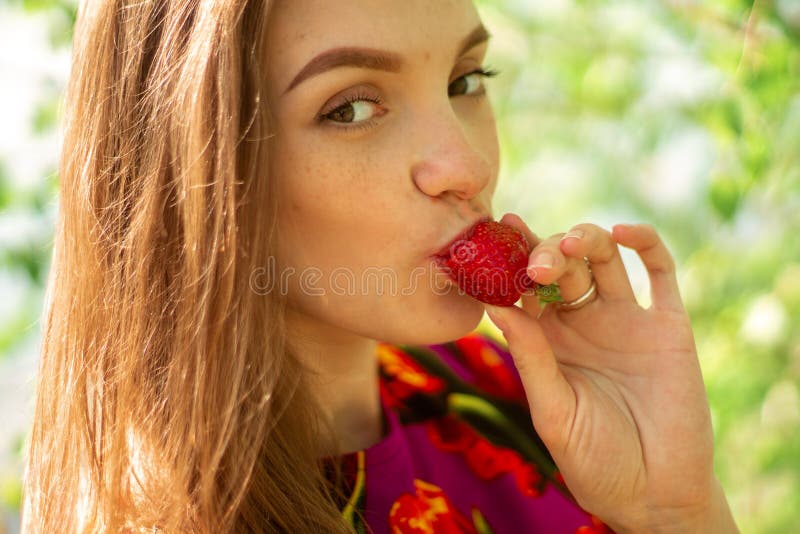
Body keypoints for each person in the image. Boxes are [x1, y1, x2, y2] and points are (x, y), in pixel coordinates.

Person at [21, 0, 740, 532]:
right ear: (190, 170)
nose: (467, 164)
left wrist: (674, 509)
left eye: (465, 80)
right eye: (352, 108)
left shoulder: (510, 392)